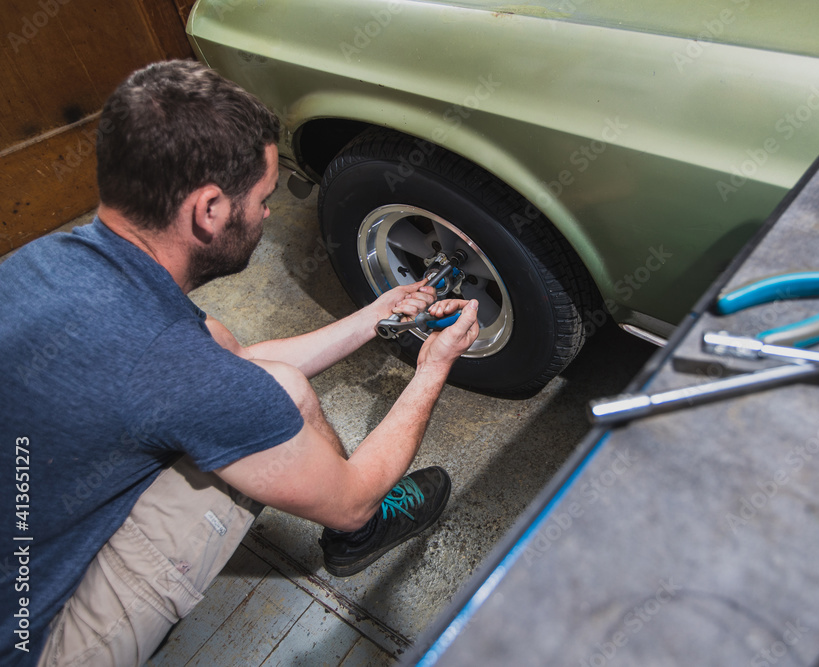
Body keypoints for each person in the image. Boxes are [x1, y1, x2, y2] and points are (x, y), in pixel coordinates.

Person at [0, 60, 479, 666]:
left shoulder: (49, 259)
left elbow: (223, 365)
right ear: (209, 210)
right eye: (262, 198)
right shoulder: (176, 368)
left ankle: (355, 543)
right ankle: (363, 533)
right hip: (25, 641)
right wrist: (433, 366)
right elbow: (350, 493)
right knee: (264, 413)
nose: (269, 215)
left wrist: (376, 314)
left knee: (235, 360)